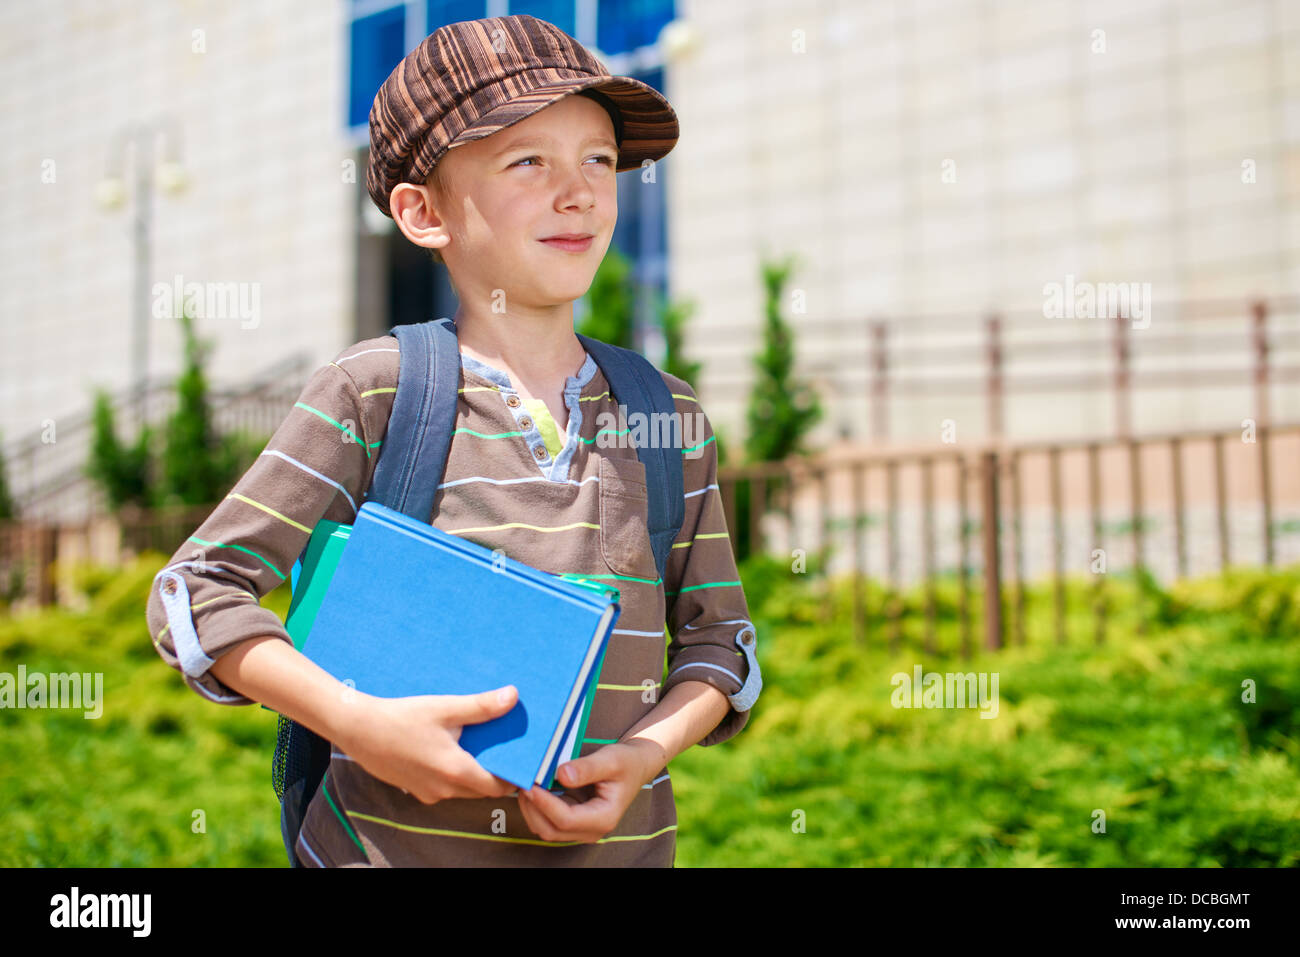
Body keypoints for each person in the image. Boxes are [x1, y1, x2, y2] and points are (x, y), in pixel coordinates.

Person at [145, 13, 760, 867]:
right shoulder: (378, 390)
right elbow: (196, 591)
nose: (578, 191)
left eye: (599, 159)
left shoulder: (668, 414)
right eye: (527, 161)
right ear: (423, 212)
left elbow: (723, 644)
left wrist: (648, 753)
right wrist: (359, 723)